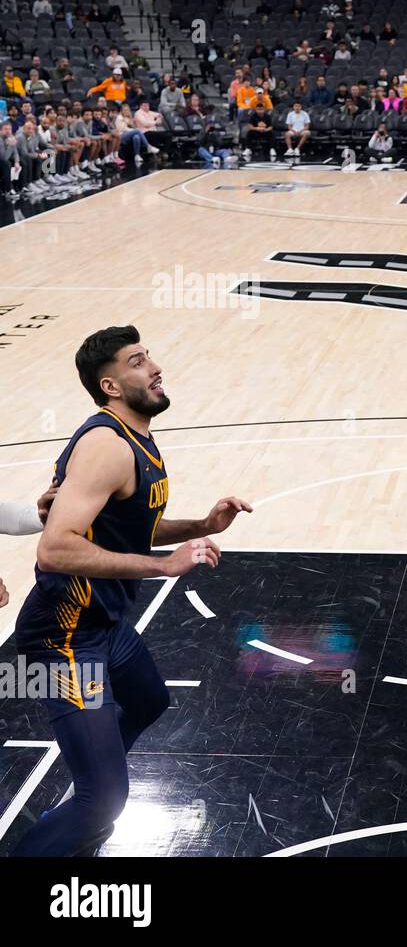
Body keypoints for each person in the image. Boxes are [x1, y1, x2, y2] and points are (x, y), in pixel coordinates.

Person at [12, 326, 252, 855]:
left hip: (104, 622)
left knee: (148, 699)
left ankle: (83, 805)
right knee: (104, 803)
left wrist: (201, 524)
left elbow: (124, 526)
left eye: (149, 356)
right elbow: (54, 548)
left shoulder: (136, 436)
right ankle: (86, 809)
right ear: (111, 385)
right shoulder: (107, 447)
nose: (155, 366)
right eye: (138, 361)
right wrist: (162, 567)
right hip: (65, 639)